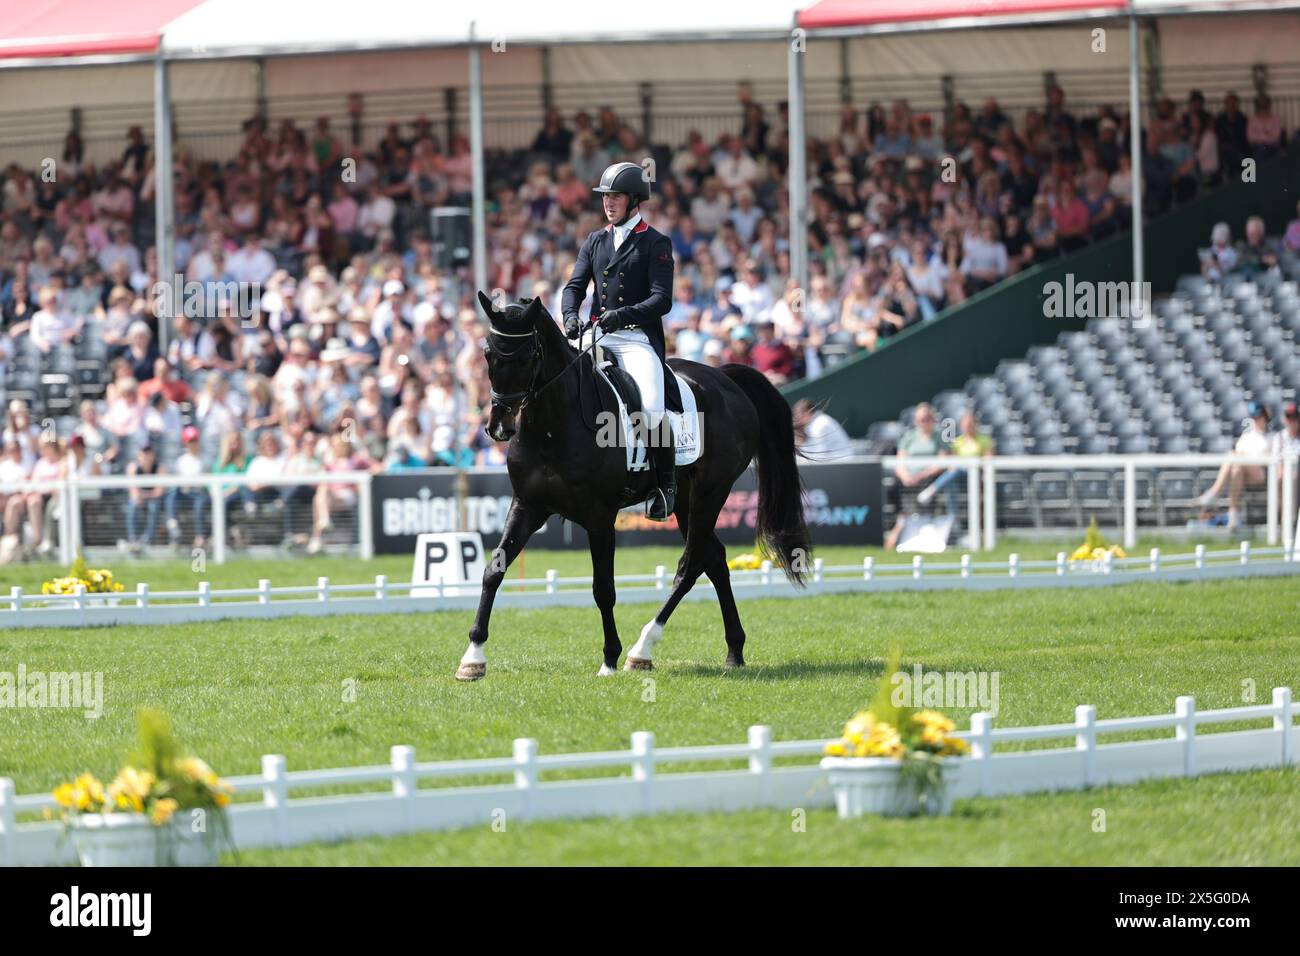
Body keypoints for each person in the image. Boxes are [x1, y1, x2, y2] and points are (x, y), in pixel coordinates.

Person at [561, 160, 677, 521]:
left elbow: (662, 299)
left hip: (636, 338)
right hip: (597, 336)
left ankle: (664, 486)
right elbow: (575, 287)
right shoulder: (595, 240)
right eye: (605, 196)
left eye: (616, 196)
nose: (608, 203)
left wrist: (621, 316)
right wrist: (569, 316)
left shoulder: (655, 242)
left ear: (634, 200)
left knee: (653, 408)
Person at [884, 403, 952, 551]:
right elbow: (899, 462)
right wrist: (906, 477)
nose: (923, 422)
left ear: (932, 419)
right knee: (893, 489)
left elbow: (943, 462)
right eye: (920, 419)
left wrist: (921, 475)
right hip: (907, 483)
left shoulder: (940, 437)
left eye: (927, 418)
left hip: (930, 481)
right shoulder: (909, 438)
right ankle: (899, 527)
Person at [1197, 401, 1271, 530]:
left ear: (1265, 417)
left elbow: (1266, 459)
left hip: (1261, 474)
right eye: (1254, 417)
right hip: (1243, 472)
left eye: (1259, 416)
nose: (1257, 419)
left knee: (1234, 457)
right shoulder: (1247, 435)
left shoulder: (1269, 437)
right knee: (1236, 468)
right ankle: (1233, 513)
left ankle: (1214, 492)